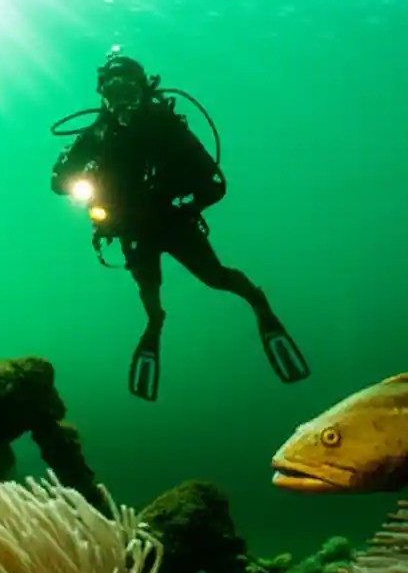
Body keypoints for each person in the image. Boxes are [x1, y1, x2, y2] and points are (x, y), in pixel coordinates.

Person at [50, 51, 309, 401]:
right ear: (102, 94)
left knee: (215, 277)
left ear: (143, 89)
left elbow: (215, 184)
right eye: (113, 90)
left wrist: (179, 201)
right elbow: (58, 182)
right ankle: (154, 324)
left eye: (128, 88)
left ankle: (257, 302)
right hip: (132, 229)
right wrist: (78, 177)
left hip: (173, 222)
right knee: (150, 291)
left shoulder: (165, 126)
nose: (121, 98)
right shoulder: (96, 134)